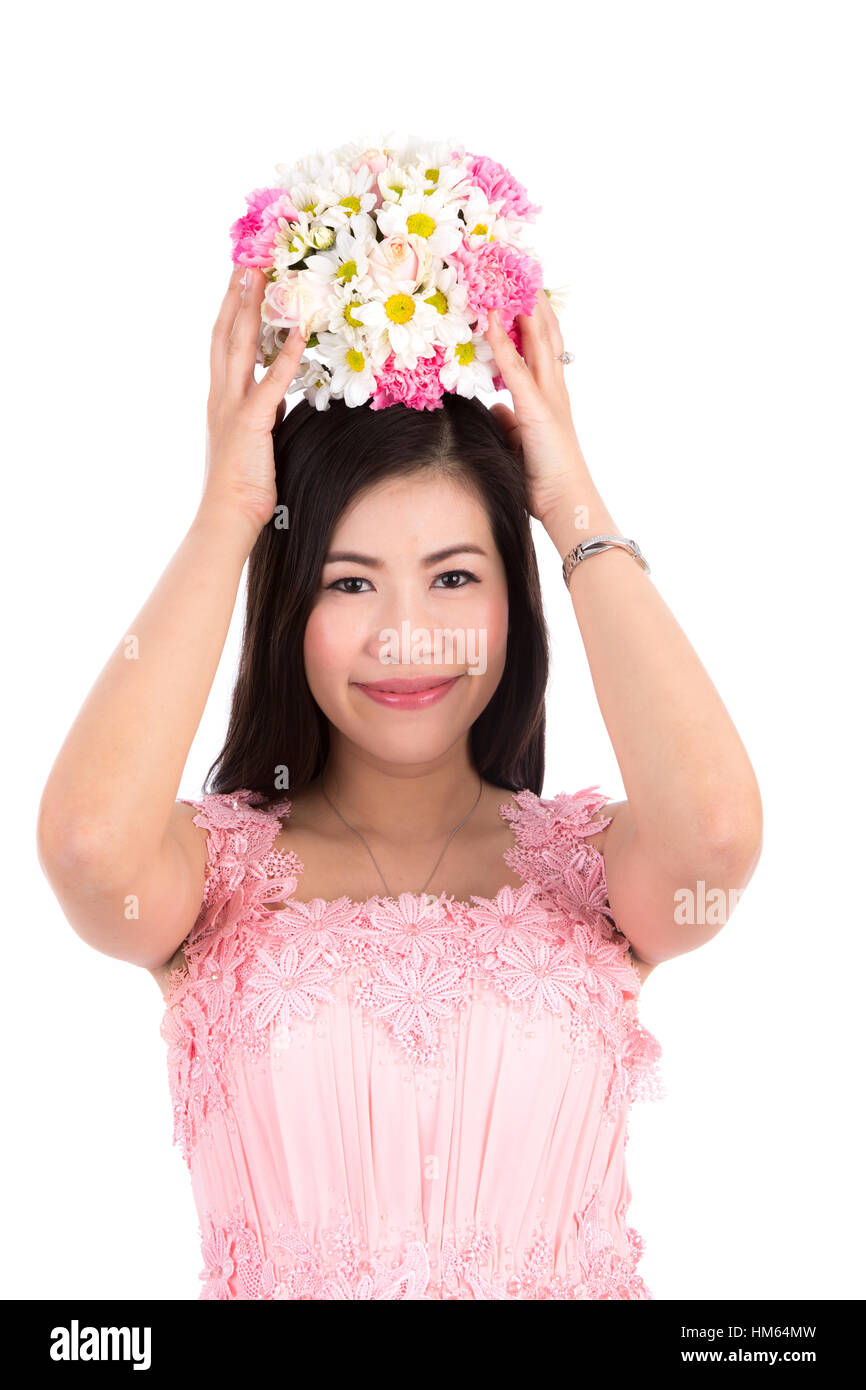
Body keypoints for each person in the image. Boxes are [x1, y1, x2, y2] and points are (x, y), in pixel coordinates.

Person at [36, 262, 763, 1300]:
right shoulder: (208, 880)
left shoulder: (596, 879)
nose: (406, 633)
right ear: (290, 606)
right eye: (348, 581)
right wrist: (230, 512)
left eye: (455, 576)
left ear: (517, 597)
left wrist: (568, 505)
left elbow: (719, 832)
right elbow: (85, 846)